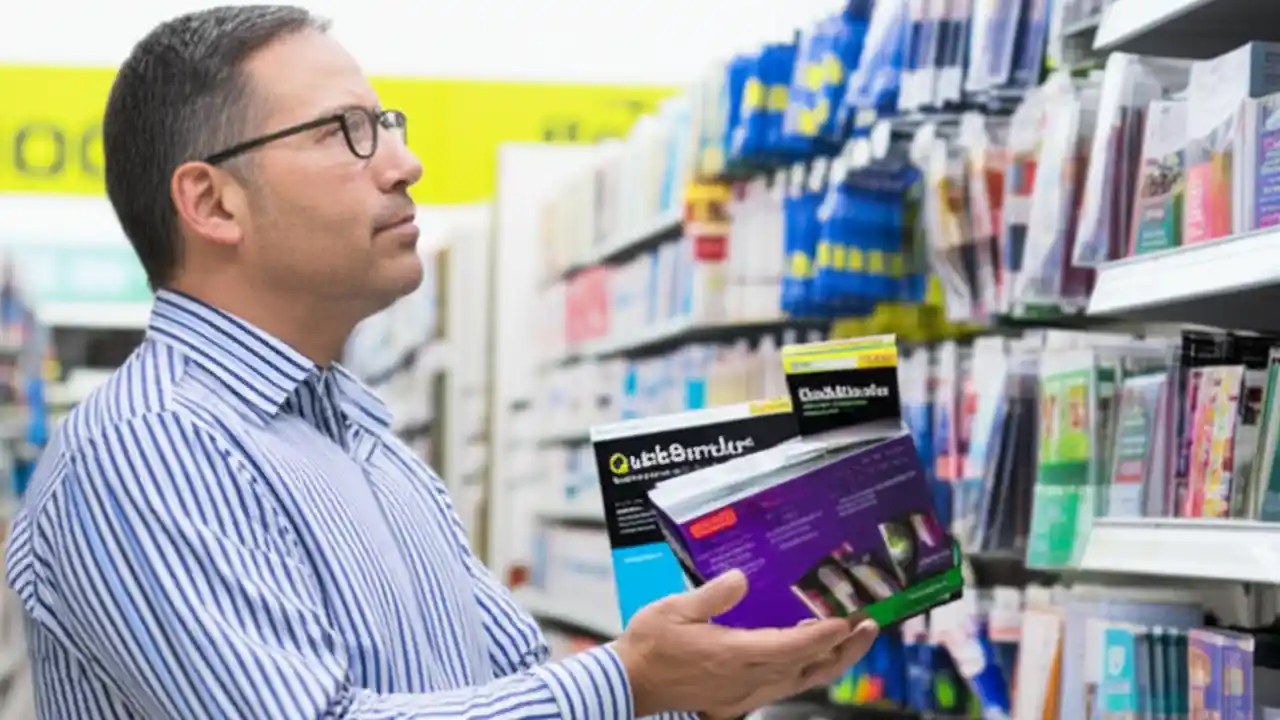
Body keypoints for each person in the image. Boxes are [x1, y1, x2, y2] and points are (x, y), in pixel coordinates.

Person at [3, 5, 879, 719]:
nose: (405, 164)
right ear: (212, 201)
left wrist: (711, 682)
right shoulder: (149, 448)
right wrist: (630, 681)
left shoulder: (371, 449)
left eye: (387, 125)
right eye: (345, 132)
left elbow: (501, 687)